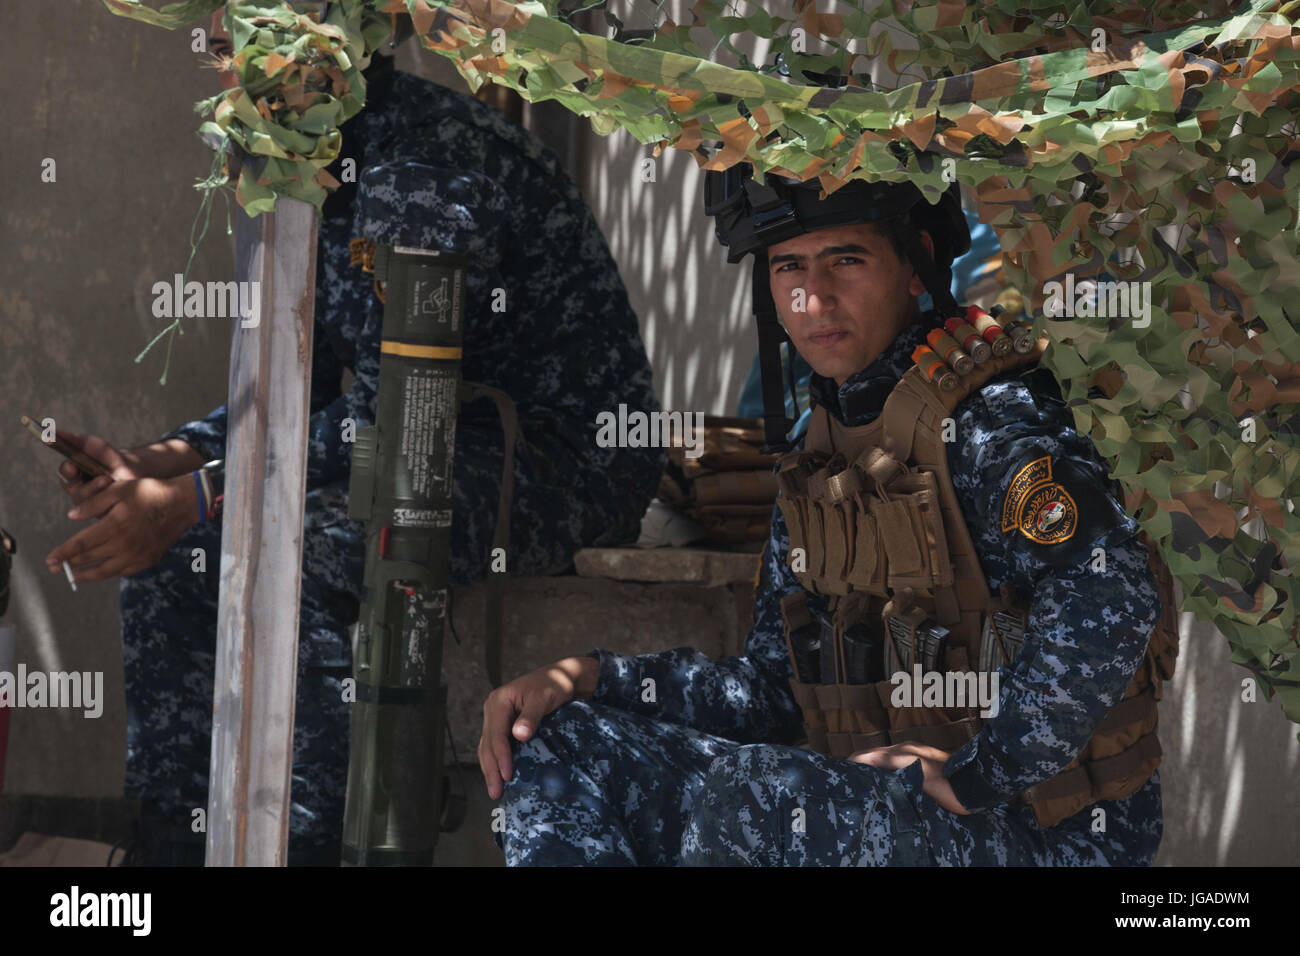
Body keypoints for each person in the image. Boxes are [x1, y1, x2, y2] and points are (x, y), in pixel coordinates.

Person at [44, 11, 664, 865]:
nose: (228, 77)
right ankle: (177, 849)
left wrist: (197, 496)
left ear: (328, 54)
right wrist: (175, 455)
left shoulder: (421, 161)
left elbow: (402, 407)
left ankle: (308, 845)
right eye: (223, 51)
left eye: (251, 50)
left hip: (549, 462)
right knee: (165, 570)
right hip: (421, 443)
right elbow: (303, 382)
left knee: (310, 551)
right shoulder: (299, 162)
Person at [481, 169, 1172, 866]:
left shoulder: (993, 424)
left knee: (751, 794)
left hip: (1043, 835)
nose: (813, 295)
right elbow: (773, 693)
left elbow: (1112, 592)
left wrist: (977, 774)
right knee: (554, 741)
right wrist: (593, 678)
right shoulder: (827, 444)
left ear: (916, 263)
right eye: (788, 267)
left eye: (846, 259)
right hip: (897, 811)